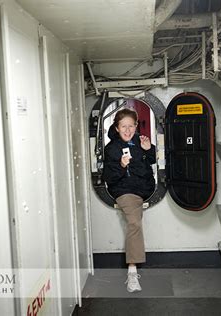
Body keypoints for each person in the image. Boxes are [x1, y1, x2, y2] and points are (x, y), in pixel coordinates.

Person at [102, 108, 156, 293]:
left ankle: (133, 269)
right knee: (134, 223)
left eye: (131, 126)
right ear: (116, 128)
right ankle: (132, 272)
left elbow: (151, 162)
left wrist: (149, 150)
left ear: (135, 126)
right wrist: (121, 166)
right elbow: (109, 177)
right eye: (123, 126)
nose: (127, 130)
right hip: (125, 191)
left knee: (135, 222)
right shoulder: (111, 149)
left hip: (144, 188)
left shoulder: (140, 142)